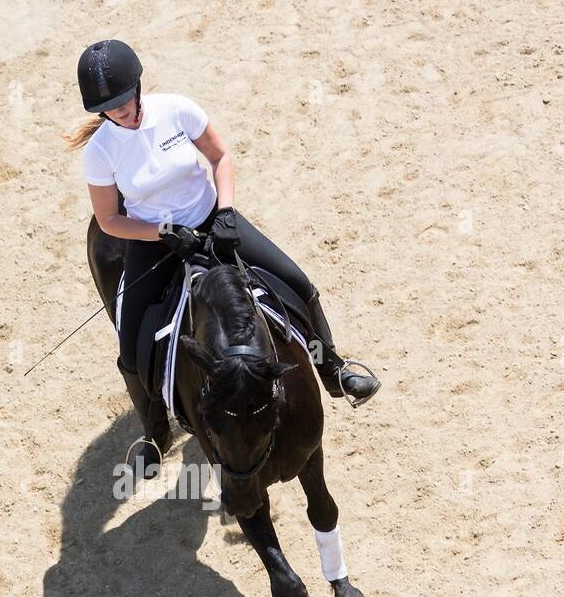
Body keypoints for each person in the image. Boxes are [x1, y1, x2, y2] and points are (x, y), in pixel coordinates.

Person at [70, 38, 380, 457]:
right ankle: (154, 433)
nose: (121, 111)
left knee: (298, 283)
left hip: (212, 220)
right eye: (110, 108)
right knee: (130, 347)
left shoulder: (176, 109)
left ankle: (334, 369)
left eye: (126, 100)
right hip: (156, 241)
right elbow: (109, 220)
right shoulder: (100, 152)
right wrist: (162, 232)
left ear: (139, 87)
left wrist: (227, 212)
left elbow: (220, 158)